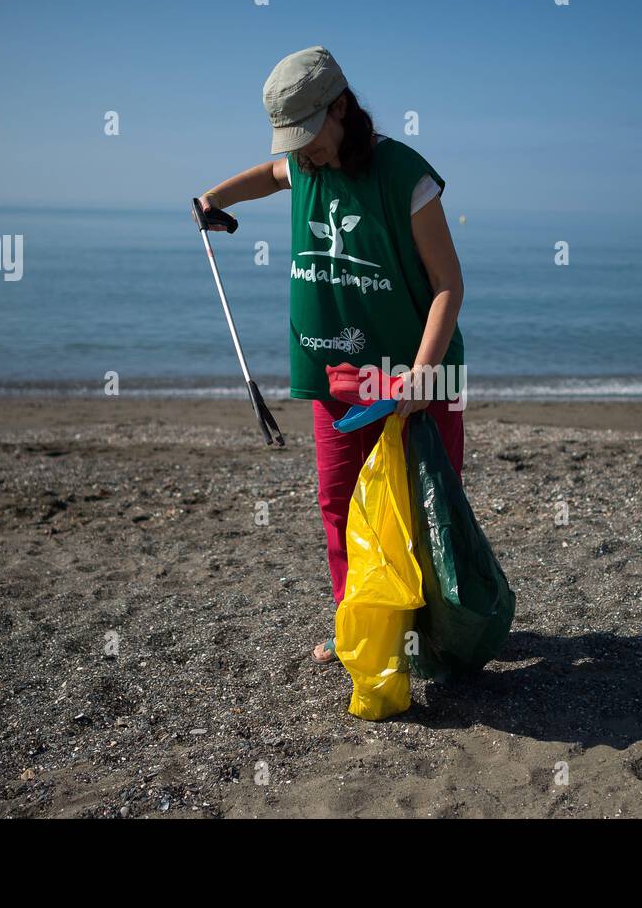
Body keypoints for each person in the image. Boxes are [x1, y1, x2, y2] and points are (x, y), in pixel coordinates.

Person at [193, 46, 467, 664]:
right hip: (335, 374)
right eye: (292, 140)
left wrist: (423, 375)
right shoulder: (304, 164)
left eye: (308, 135)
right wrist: (216, 199)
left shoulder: (407, 177)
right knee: (340, 505)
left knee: (426, 504)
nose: (301, 150)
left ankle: (437, 631)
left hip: (414, 374)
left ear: (342, 108)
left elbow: (449, 284)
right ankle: (359, 624)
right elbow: (268, 176)